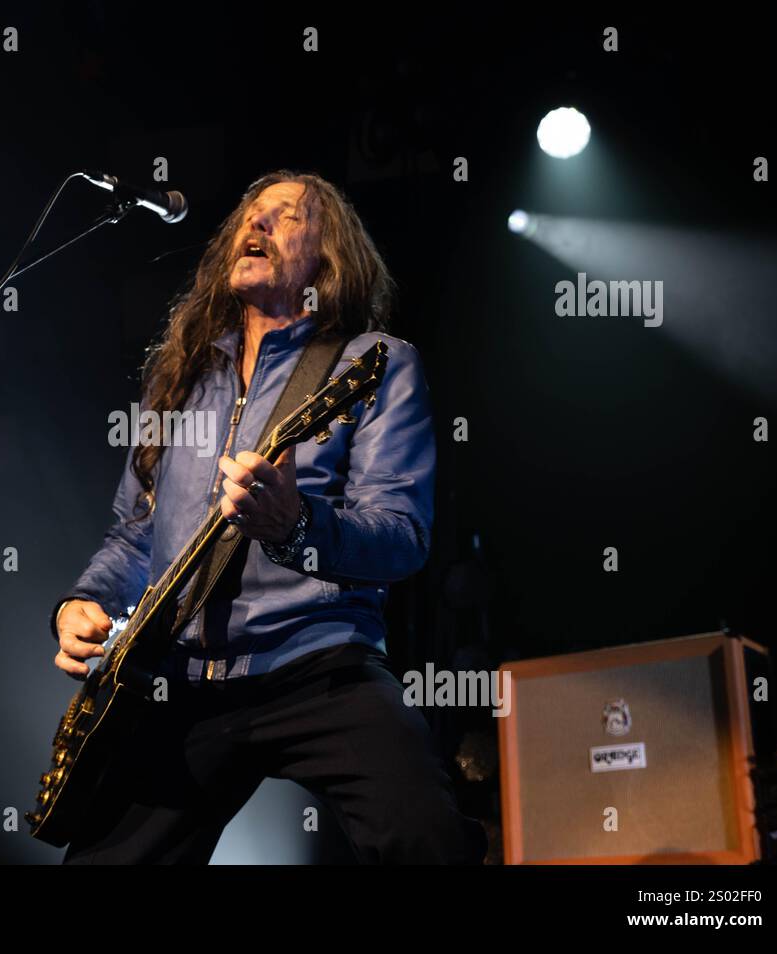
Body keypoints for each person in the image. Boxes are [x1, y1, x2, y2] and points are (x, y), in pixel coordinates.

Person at [49, 170, 486, 864]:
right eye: (249, 217)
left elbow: (402, 538)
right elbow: (138, 531)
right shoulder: (185, 380)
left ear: (327, 257)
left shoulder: (369, 365)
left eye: (286, 217)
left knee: (426, 841)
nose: (256, 226)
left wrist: (296, 527)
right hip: (185, 678)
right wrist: (82, 601)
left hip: (318, 661)